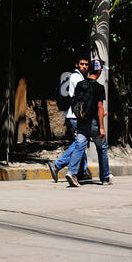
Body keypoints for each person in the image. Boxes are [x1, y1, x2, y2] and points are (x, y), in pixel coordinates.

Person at [62, 64, 109, 187]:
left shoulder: (80, 84)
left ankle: (71, 172)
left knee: (79, 147)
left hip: (81, 121)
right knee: (102, 149)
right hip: (94, 122)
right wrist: (102, 127)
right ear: (98, 72)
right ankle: (105, 177)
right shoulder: (99, 87)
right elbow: (99, 107)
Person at [48, 55, 90, 184]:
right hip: (75, 116)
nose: (84, 66)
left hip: (73, 115)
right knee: (80, 143)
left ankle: (81, 171)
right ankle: (57, 164)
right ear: (76, 64)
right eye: (82, 64)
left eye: (86, 64)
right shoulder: (77, 78)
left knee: (81, 142)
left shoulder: (79, 77)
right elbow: (79, 98)